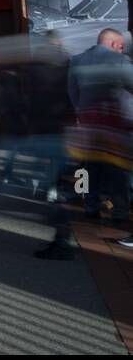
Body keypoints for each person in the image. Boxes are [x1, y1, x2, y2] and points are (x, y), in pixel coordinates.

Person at [65, 29, 133, 248]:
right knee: (119, 170)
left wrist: (82, 113)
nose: (122, 48)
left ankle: (91, 206)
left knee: (90, 167)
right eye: (121, 45)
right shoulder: (120, 61)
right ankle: (120, 212)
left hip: (88, 123)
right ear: (113, 43)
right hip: (115, 124)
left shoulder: (76, 61)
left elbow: (72, 91)